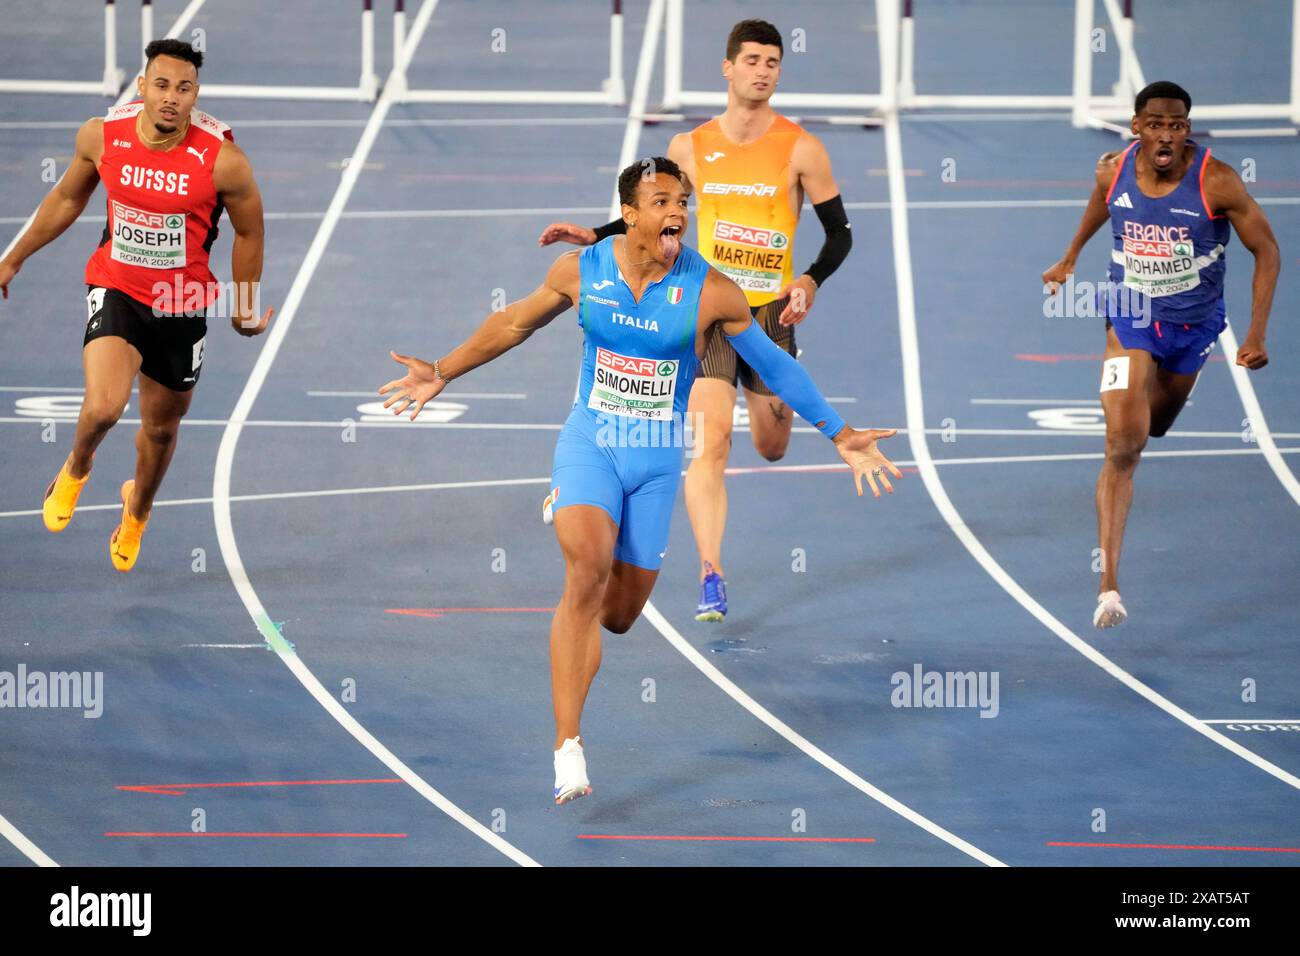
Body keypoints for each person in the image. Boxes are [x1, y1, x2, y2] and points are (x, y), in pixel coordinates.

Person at [381, 158, 898, 804]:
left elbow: (773, 366)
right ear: (629, 214)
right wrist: (442, 369)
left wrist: (840, 433)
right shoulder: (582, 271)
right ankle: (568, 745)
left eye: (683, 201)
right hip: (592, 441)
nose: (676, 212)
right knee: (585, 570)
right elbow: (513, 323)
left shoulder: (712, 291)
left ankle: (577, 527)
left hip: (654, 460)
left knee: (619, 616)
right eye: (661, 201)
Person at [538, 19, 853, 623]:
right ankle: (711, 571)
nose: (763, 70)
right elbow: (651, 215)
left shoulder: (802, 148)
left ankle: (771, 421)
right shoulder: (689, 147)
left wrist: (810, 280)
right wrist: (596, 234)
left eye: (773, 62)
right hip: (705, 309)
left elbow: (840, 232)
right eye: (753, 60)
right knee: (709, 444)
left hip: (767, 310)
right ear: (728, 67)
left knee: (771, 443)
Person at [0, 39, 272, 572]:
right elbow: (66, 198)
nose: (172, 98)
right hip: (117, 286)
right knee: (103, 407)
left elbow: (249, 233)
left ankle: (138, 510)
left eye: (184, 88)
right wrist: (13, 259)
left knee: (162, 428)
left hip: (182, 300)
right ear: (143, 86)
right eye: (163, 85)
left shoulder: (224, 161)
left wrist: (242, 307)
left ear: (197, 95)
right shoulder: (102, 137)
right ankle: (76, 469)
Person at [1042, 81, 1279, 629]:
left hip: (1193, 325)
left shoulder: (1217, 182)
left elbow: (1266, 249)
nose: (1166, 134)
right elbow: (1102, 206)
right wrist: (1070, 257)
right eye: (1156, 125)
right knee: (1125, 443)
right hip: (1129, 315)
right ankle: (1109, 587)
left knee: (1159, 424)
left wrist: (1256, 334)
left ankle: (1141, 405)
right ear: (1136, 128)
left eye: (1176, 125)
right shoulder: (1112, 169)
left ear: (1187, 130)